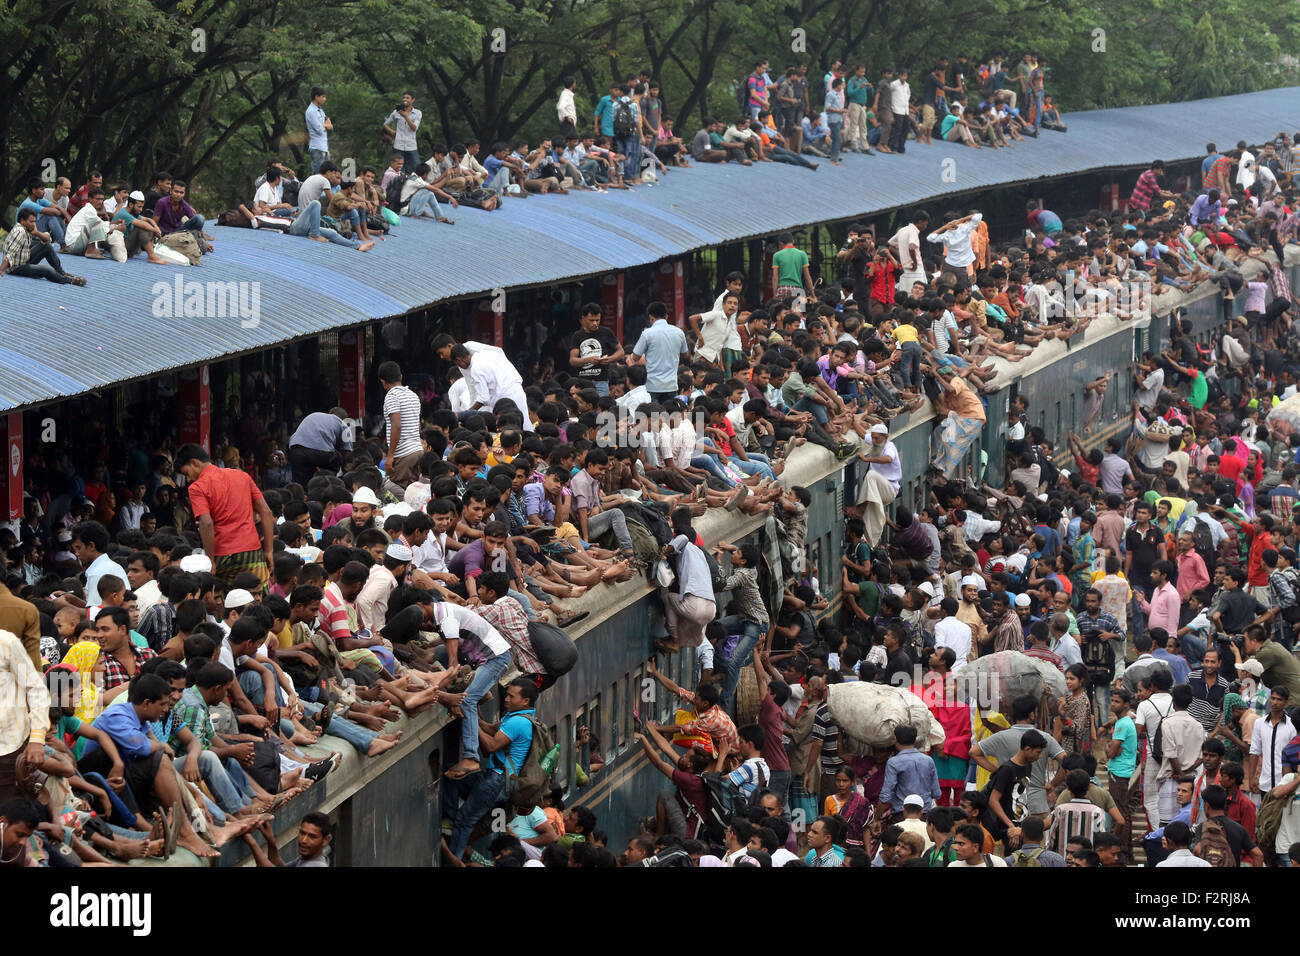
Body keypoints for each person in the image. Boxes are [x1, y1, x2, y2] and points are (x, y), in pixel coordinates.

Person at [177, 444, 276, 590]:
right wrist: (269, 550)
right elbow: (266, 512)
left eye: (186, 473)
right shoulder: (242, 476)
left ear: (194, 462)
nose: (188, 479)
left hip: (222, 555)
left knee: (224, 603)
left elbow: (206, 523)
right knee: (259, 598)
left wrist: (210, 560)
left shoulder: (197, 487)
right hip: (251, 552)